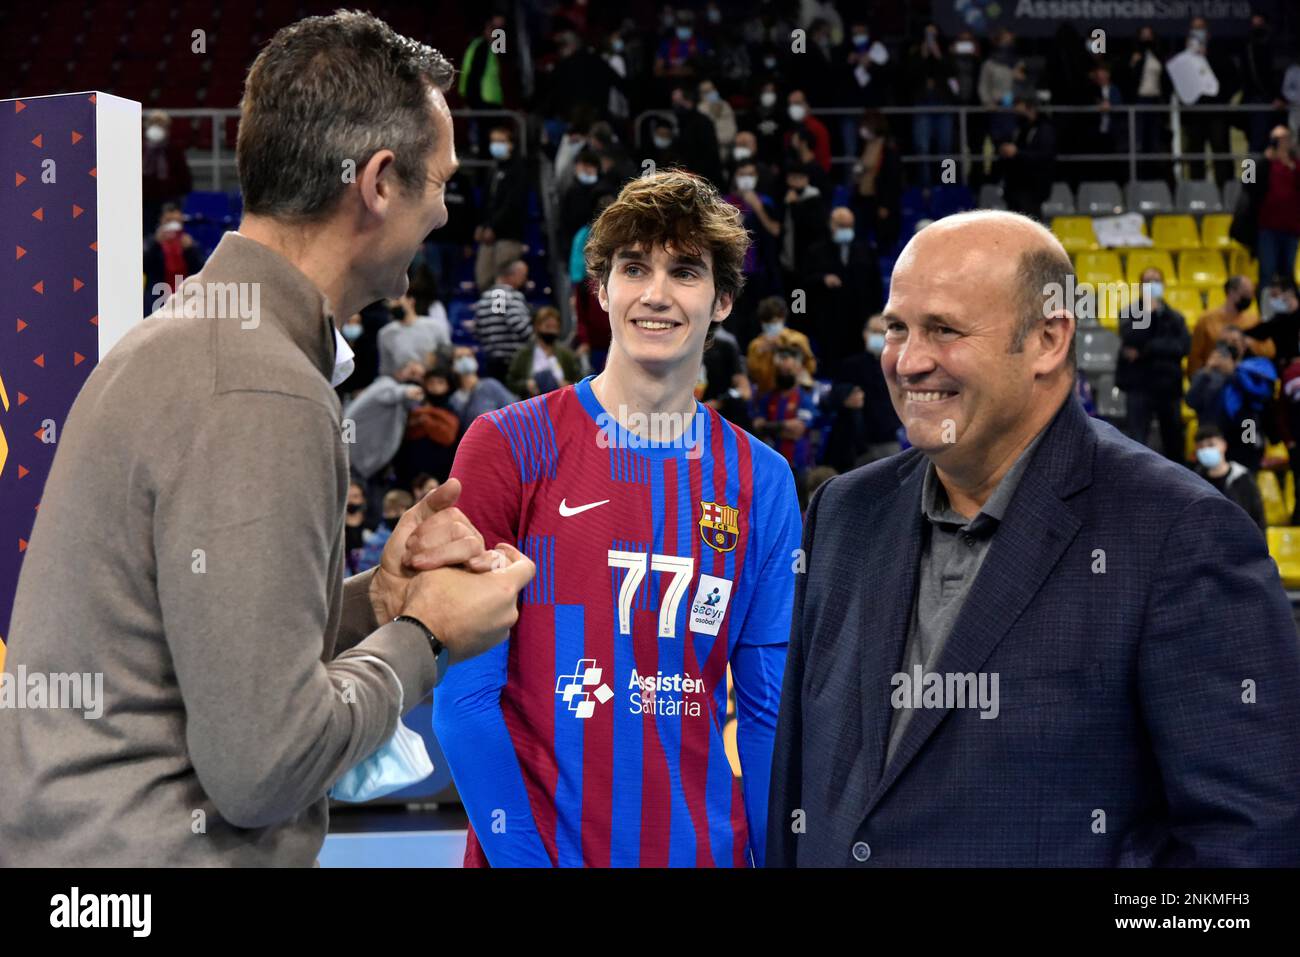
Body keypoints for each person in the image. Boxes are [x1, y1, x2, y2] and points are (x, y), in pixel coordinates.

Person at [0, 11, 535, 866]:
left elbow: (211, 642)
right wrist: (425, 636)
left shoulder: (198, 339)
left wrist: (378, 599)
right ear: (380, 182)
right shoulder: (259, 385)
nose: (443, 209)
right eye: (440, 181)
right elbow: (265, 764)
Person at [769, 210, 1300, 867]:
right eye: (897, 328)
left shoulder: (1183, 535)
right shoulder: (842, 512)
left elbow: (1247, 849)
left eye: (943, 329)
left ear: (1049, 339)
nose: (909, 362)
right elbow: (798, 786)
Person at [433, 169, 802, 867]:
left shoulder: (763, 480)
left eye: (685, 272)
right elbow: (465, 701)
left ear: (722, 300)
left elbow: (764, 716)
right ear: (601, 290)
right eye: (635, 268)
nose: (656, 294)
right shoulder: (508, 446)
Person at [1116, 267, 1190, 461]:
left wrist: (1146, 350)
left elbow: (1182, 348)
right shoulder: (1129, 313)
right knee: (1137, 442)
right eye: (1148, 281)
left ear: (1163, 285)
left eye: (1156, 281)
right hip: (1139, 386)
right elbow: (1130, 338)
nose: (1152, 285)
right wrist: (1147, 315)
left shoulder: (1176, 317)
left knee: (1174, 443)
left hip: (1168, 387)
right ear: (1140, 287)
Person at [473, 125, 528, 293]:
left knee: (503, 282)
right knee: (483, 279)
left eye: (501, 141)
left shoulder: (518, 170)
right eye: (494, 141)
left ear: (511, 144)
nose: (496, 145)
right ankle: (489, 316)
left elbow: (512, 203)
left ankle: (501, 315)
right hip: (489, 235)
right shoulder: (494, 168)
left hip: (508, 235)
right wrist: (482, 225)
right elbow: (487, 202)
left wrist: (493, 227)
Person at [1188, 275, 1269, 376]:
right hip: (1214, 377)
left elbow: (1269, 350)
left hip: (1246, 377)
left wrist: (1250, 344)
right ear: (1231, 292)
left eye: (1251, 294)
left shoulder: (1254, 319)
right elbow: (1195, 356)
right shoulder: (1206, 320)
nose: (1250, 298)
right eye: (1246, 293)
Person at [1193, 424, 1266, 532]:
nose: (1205, 450)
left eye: (1211, 445)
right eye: (1201, 447)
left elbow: (1257, 517)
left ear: (1223, 445)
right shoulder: (1194, 480)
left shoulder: (1243, 477)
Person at [470, 258, 533, 382]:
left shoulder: (484, 298)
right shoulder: (512, 296)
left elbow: (476, 330)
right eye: (523, 275)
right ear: (513, 275)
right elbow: (519, 326)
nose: (525, 279)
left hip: (491, 362)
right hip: (514, 363)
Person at [507, 305, 581, 397]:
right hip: (532, 400)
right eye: (548, 327)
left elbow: (579, 381)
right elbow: (511, 381)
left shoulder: (566, 355)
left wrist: (568, 385)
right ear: (537, 327)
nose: (551, 331)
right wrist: (526, 385)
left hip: (560, 399)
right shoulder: (524, 354)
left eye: (555, 327)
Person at [376, 291, 450, 377]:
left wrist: (427, 370)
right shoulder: (385, 333)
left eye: (397, 300)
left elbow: (447, 356)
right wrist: (401, 374)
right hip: (401, 384)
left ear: (411, 300)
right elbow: (386, 370)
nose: (393, 305)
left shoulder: (435, 326)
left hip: (431, 379)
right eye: (389, 302)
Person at [447, 346, 516, 429]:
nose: (465, 360)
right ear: (452, 366)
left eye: (469, 356)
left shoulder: (491, 385)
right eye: (459, 357)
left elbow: (514, 411)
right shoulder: (454, 400)